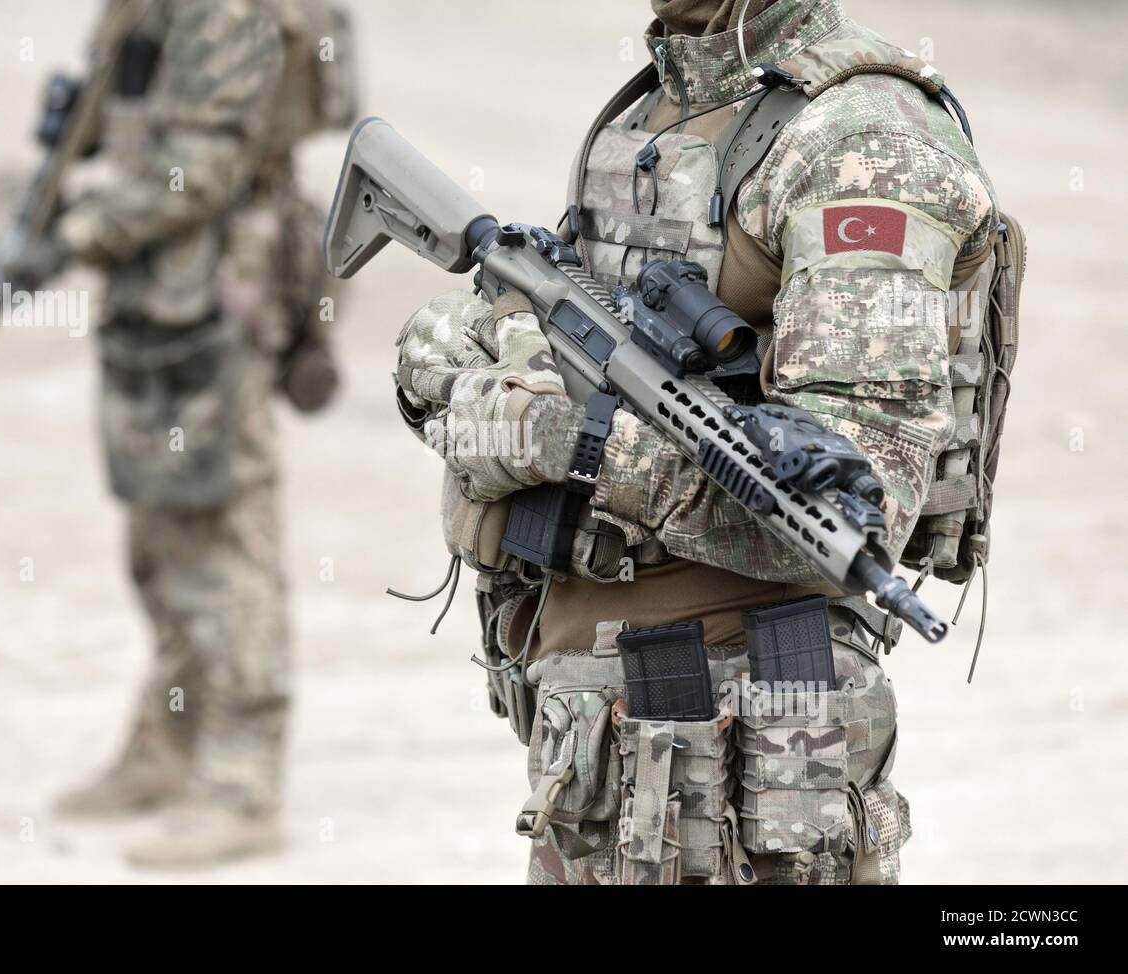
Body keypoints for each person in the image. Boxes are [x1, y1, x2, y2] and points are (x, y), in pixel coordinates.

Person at [393, 0, 1001, 884]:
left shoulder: (864, 138)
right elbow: (556, 318)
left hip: (753, 763)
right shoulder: (659, 105)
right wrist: (464, 354)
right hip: (594, 749)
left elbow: (857, 498)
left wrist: (575, 441)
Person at [3, 0, 356, 866]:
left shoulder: (222, 9)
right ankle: (169, 744)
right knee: (160, 530)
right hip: (161, 292)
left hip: (215, 296)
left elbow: (196, 170)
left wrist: (74, 236)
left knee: (225, 531)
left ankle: (242, 783)